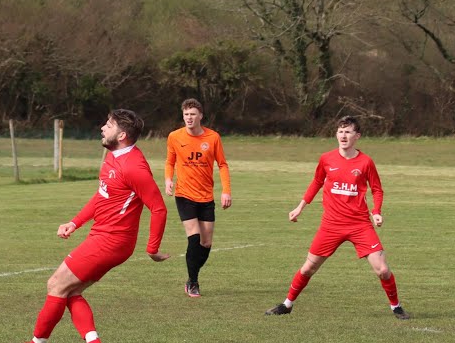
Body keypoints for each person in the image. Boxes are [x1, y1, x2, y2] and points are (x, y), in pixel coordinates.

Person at [3, 109, 169, 343]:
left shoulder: (134, 166)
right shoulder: (114, 157)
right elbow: (102, 196)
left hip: (111, 241)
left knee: (56, 284)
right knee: (70, 290)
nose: (102, 128)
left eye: (109, 125)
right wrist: (75, 222)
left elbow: (158, 207)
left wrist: (152, 248)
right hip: (103, 237)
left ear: (122, 135)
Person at [265, 116, 409, 320]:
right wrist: (300, 207)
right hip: (331, 225)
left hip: (360, 225)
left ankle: (396, 307)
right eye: (340, 131)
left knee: (383, 269)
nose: (343, 135)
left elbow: (377, 189)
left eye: (348, 132)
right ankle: (287, 304)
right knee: (308, 267)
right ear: (336, 134)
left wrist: (376, 211)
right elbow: (316, 183)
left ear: (357, 136)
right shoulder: (326, 159)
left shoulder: (366, 162)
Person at [164, 98, 231, 298]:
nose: (189, 118)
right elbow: (170, 161)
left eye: (193, 114)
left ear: (200, 115)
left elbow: (222, 165)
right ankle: (193, 283)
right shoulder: (174, 137)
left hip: (206, 196)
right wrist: (168, 179)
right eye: (186, 114)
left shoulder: (213, 137)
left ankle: (192, 274)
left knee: (206, 243)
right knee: (194, 238)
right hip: (184, 195)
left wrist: (226, 190)